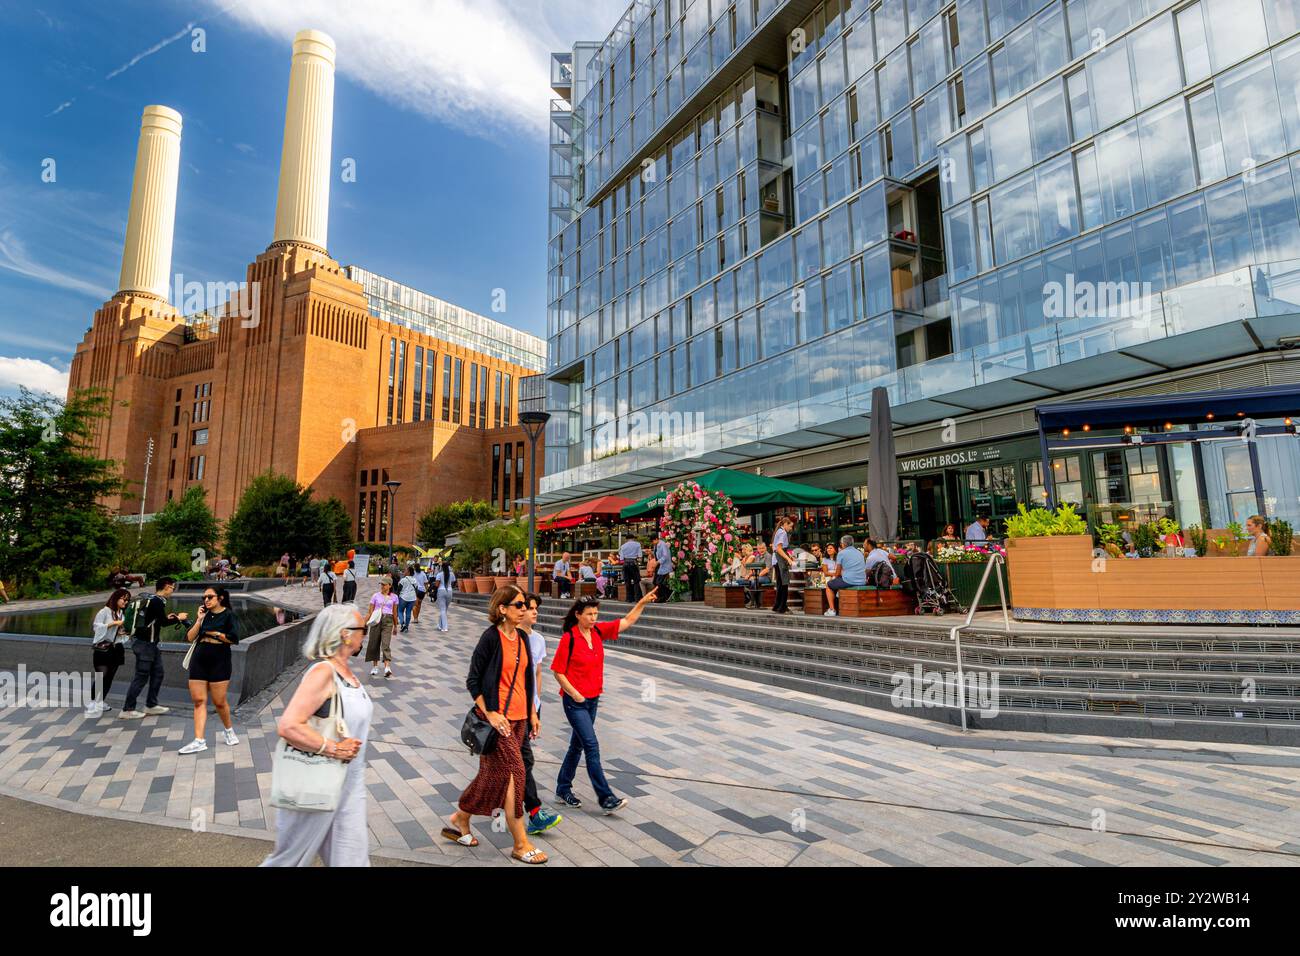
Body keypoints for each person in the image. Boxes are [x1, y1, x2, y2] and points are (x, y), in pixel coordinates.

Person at [261, 603, 371, 867]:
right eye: (362, 629)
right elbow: (288, 726)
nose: (364, 635)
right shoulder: (323, 672)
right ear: (345, 634)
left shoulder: (347, 673)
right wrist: (333, 748)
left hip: (349, 785)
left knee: (352, 861)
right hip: (317, 781)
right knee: (289, 861)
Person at [443, 586, 547, 864]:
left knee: (492, 776)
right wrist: (490, 713)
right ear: (502, 609)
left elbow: (527, 679)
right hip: (497, 722)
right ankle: (520, 843)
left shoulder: (523, 638)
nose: (524, 609)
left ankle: (460, 817)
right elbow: (473, 680)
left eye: (525, 604)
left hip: (520, 719)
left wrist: (533, 713)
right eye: (518, 605)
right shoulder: (490, 639)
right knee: (516, 774)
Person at [551, 588, 657, 814]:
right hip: (574, 702)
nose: (593, 618)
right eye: (589, 614)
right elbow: (558, 672)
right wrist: (574, 693)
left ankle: (562, 788)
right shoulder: (569, 638)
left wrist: (642, 602)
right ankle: (606, 797)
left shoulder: (598, 631)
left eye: (596, 614)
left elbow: (627, 621)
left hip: (592, 700)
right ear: (578, 614)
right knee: (591, 745)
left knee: (577, 745)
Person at [519, 592, 562, 836]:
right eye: (530, 607)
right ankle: (534, 812)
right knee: (522, 761)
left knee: (516, 763)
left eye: (536, 608)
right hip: (512, 712)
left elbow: (537, 674)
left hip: (529, 709)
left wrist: (537, 707)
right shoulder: (509, 638)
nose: (535, 612)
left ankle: (466, 813)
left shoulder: (538, 640)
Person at [179, 585, 240, 754]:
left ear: (220, 598)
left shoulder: (229, 615)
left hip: (219, 660)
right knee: (199, 701)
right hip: (199, 659)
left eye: (210, 597)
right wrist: (199, 620)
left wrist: (215, 634)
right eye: (204, 597)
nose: (206, 600)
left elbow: (234, 639)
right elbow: (190, 637)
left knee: (220, 702)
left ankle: (229, 730)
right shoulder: (203, 616)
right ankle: (199, 740)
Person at [120, 577, 188, 719]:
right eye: (172, 588)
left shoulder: (154, 600)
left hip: (150, 645)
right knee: (141, 677)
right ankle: (127, 709)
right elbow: (163, 623)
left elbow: (156, 620)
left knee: (158, 673)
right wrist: (178, 618)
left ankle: (151, 705)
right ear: (167, 587)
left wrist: (168, 618)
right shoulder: (157, 601)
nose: (173, 590)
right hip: (145, 645)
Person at [87, 588, 131, 717]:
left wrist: (123, 632)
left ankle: (101, 702)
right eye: (124, 598)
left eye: (127, 600)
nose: (126, 602)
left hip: (116, 648)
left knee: (110, 677)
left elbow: (120, 635)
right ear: (116, 598)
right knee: (102, 676)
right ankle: (92, 703)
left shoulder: (121, 614)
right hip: (103, 649)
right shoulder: (104, 611)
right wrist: (113, 624)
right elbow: (97, 627)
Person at [823, 535, 867, 617]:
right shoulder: (859, 552)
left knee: (829, 585)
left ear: (843, 544)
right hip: (862, 580)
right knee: (837, 582)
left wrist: (834, 578)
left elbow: (837, 572)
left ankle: (832, 610)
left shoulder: (841, 553)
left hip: (849, 581)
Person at [365, 577, 398, 679]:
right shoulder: (375, 596)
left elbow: (395, 612)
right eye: (381, 584)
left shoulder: (394, 597)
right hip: (376, 620)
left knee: (385, 644)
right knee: (374, 643)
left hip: (388, 621)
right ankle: (375, 666)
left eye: (384, 584)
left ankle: (387, 667)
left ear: (389, 585)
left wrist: (396, 626)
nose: (382, 586)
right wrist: (364, 623)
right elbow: (370, 611)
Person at [771, 515, 796, 615]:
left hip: (776, 559)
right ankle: (783, 607)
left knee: (780, 584)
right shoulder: (783, 532)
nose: (791, 529)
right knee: (784, 583)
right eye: (790, 526)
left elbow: (777, 548)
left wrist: (788, 556)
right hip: (780, 559)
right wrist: (788, 559)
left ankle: (777, 606)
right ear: (785, 524)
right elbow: (779, 549)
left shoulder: (778, 531)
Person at [619, 536, 644, 601]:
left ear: (626, 539)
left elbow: (621, 558)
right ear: (633, 538)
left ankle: (629, 598)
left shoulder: (623, 546)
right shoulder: (637, 544)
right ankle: (637, 598)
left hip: (626, 563)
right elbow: (640, 555)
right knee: (636, 581)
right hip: (634, 563)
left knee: (627, 581)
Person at [434, 561, 456, 632]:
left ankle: (445, 627)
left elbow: (437, 585)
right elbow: (453, 583)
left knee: (442, 609)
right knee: (444, 609)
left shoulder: (439, 574)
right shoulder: (452, 574)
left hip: (441, 591)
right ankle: (439, 625)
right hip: (449, 591)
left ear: (442, 567)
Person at [652, 533, 674, 603]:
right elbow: (656, 555)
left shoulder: (662, 545)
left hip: (664, 565)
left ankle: (664, 596)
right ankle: (666, 594)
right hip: (659, 565)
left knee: (659, 582)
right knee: (655, 582)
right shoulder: (656, 545)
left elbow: (665, 556)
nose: (652, 543)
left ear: (656, 539)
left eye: (652, 541)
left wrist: (658, 562)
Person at [396, 565, 418, 633]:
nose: (404, 572)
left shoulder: (403, 580)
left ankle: (402, 623)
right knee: (408, 612)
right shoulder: (415, 580)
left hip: (403, 598)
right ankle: (406, 626)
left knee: (400, 611)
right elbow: (416, 590)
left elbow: (399, 589)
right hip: (412, 598)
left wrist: (397, 596)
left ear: (408, 572)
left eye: (405, 570)